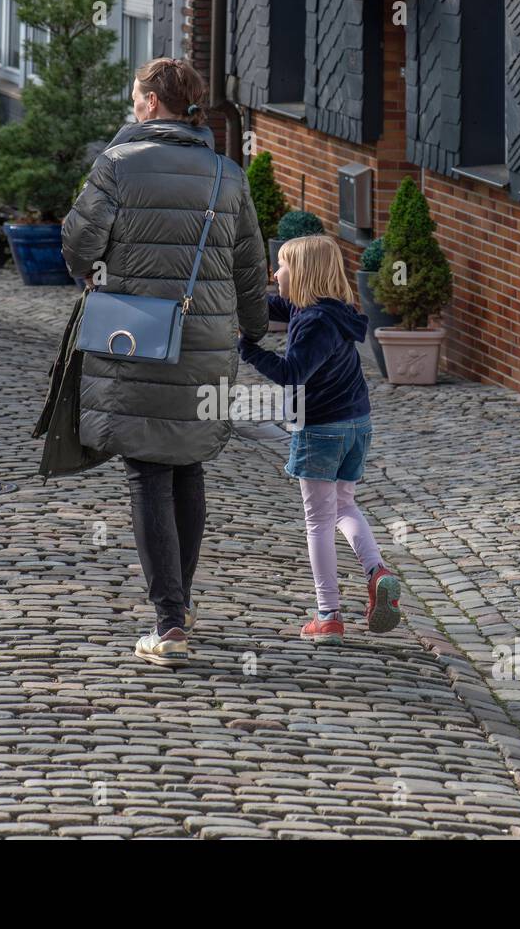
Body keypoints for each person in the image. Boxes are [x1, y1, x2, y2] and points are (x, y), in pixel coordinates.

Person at [60, 57, 269, 667]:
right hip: (205, 344)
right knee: (187, 464)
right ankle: (179, 607)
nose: (133, 104)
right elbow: (250, 264)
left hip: (134, 337)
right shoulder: (226, 175)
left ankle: (170, 622)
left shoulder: (117, 165)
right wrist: (252, 332)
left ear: (151, 103)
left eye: (136, 95)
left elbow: (78, 244)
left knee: (149, 471)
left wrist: (97, 269)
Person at [238, 235, 400, 645]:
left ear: (304, 272)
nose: (275, 274)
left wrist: (248, 349)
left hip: (321, 428)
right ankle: (376, 570)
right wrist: (240, 295)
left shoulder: (313, 323)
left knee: (317, 520)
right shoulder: (332, 310)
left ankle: (328, 614)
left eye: (281, 267)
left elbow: (292, 373)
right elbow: (273, 306)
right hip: (357, 424)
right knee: (344, 504)